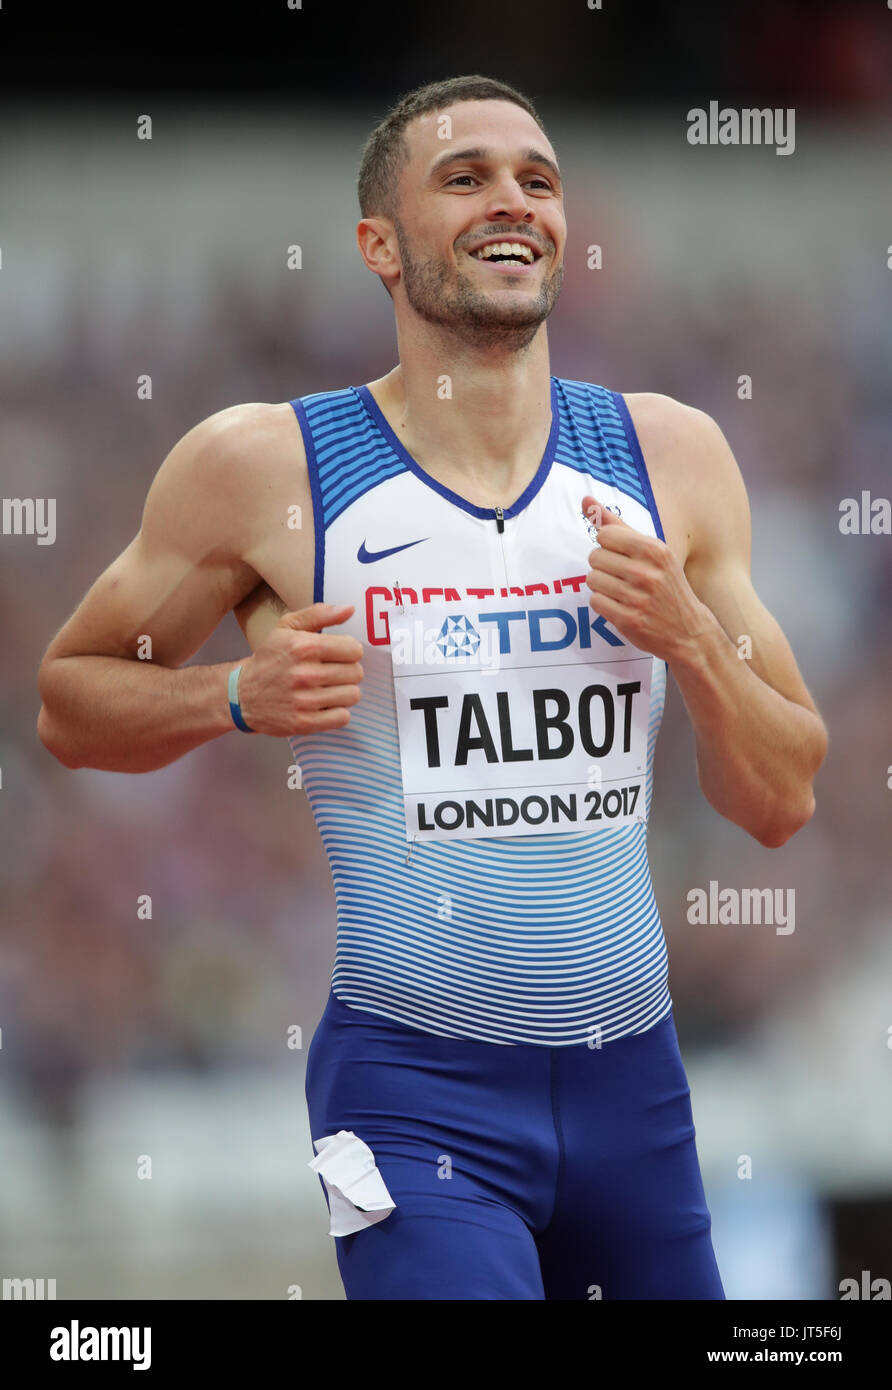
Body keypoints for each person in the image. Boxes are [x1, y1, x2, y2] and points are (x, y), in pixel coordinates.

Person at [36, 74, 828, 1300]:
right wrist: (231, 695)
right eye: (464, 178)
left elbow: (781, 797)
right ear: (380, 247)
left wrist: (690, 642)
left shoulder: (667, 457)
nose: (511, 199)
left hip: (634, 1089)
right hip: (416, 1090)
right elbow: (68, 702)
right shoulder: (265, 467)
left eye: (537, 179)